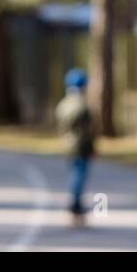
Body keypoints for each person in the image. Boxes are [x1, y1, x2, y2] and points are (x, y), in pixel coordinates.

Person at [55, 68, 96, 221]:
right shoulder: (82, 106)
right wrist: (92, 149)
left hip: (68, 146)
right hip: (81, 146)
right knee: (80, 175)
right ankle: (75, 204)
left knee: (75, 173)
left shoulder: (63, 104)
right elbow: (88, 131)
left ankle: (76, 204)